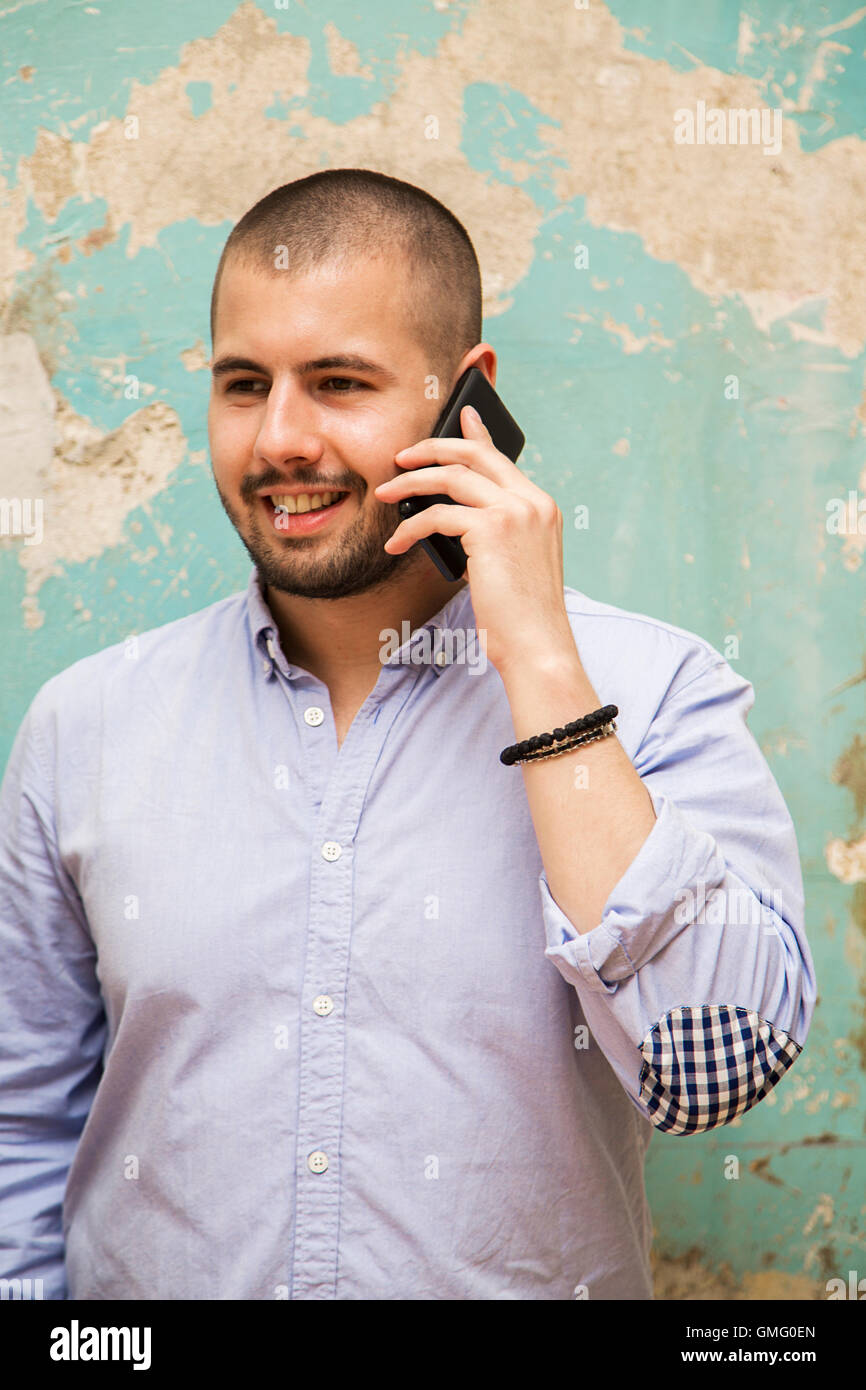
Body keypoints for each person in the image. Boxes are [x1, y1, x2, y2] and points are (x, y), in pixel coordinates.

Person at [0, 168, 815, 1301]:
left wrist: (535, 657)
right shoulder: (80, 726)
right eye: (244, 384)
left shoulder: (657, 687)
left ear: (463, 397)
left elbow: (709, 1067)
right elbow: (21, 1129)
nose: (279, 439)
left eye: (338, 382)